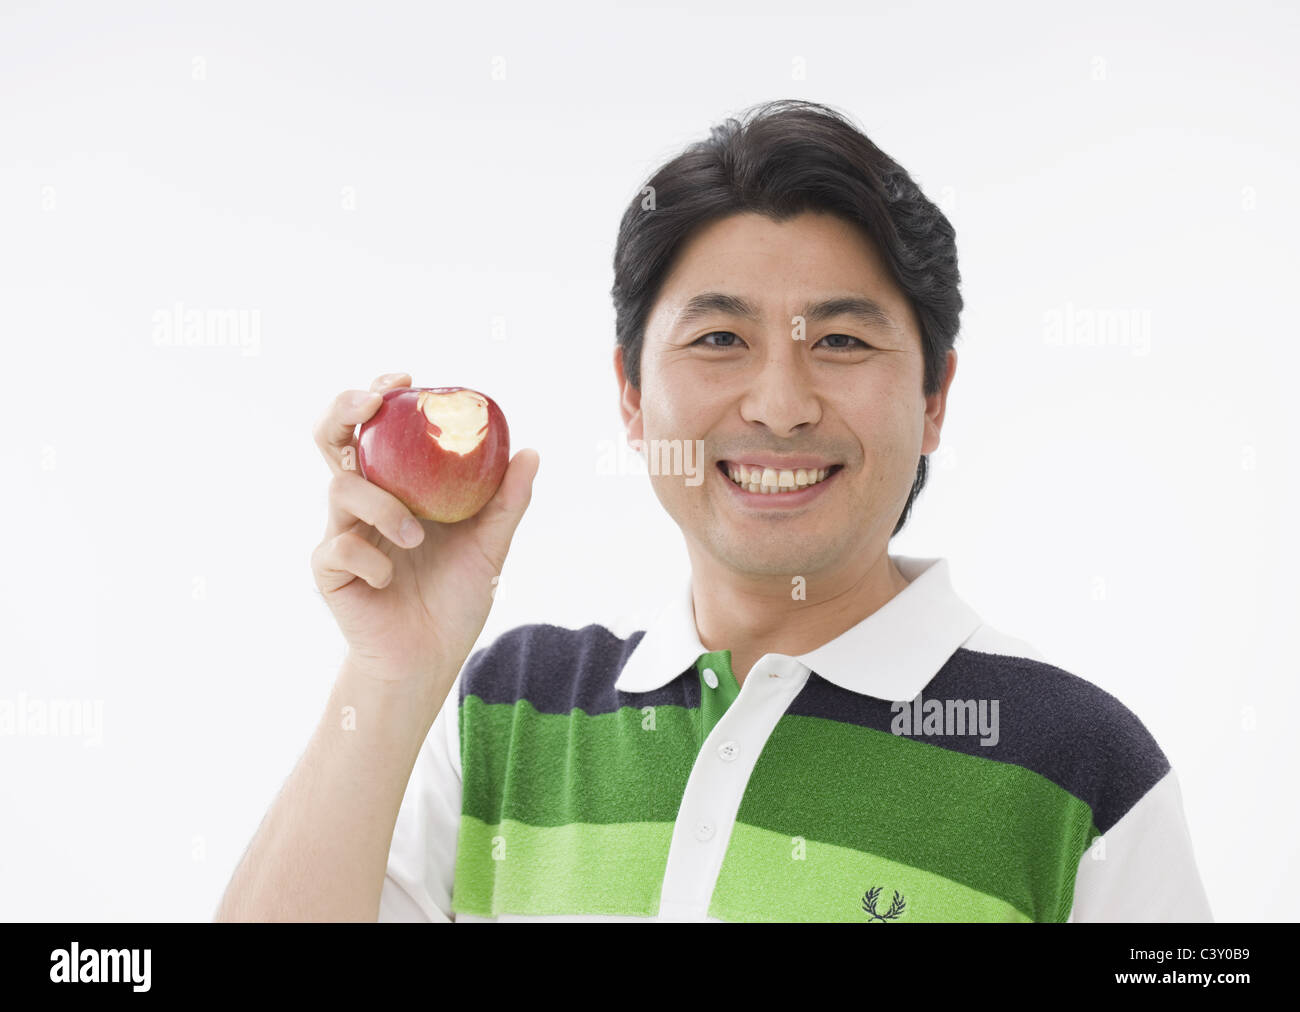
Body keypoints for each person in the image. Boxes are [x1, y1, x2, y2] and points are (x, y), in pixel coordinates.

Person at [215, 99, 1212, 923]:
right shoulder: (505, 714)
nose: (779, 405)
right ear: (631, 397)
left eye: (842, 343)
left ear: (935, 398)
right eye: (720, 339)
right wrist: (394, 672)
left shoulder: (1087, 770)